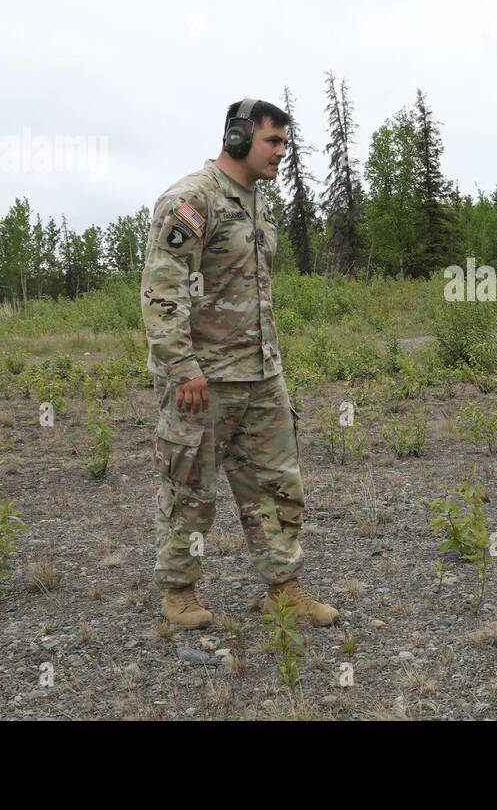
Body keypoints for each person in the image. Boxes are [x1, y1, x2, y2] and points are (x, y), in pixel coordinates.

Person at [141, 97, 338, 629]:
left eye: (284, 143)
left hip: (261, 374)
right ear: (238, 139)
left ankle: (284, 588)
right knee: (190, 488)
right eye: (272, 142)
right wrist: (183, 368)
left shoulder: (257, 203)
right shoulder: (190, 201)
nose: (281, 153)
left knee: (279, 485)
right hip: (203, 379)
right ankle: (179, 593)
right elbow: (162, 293)